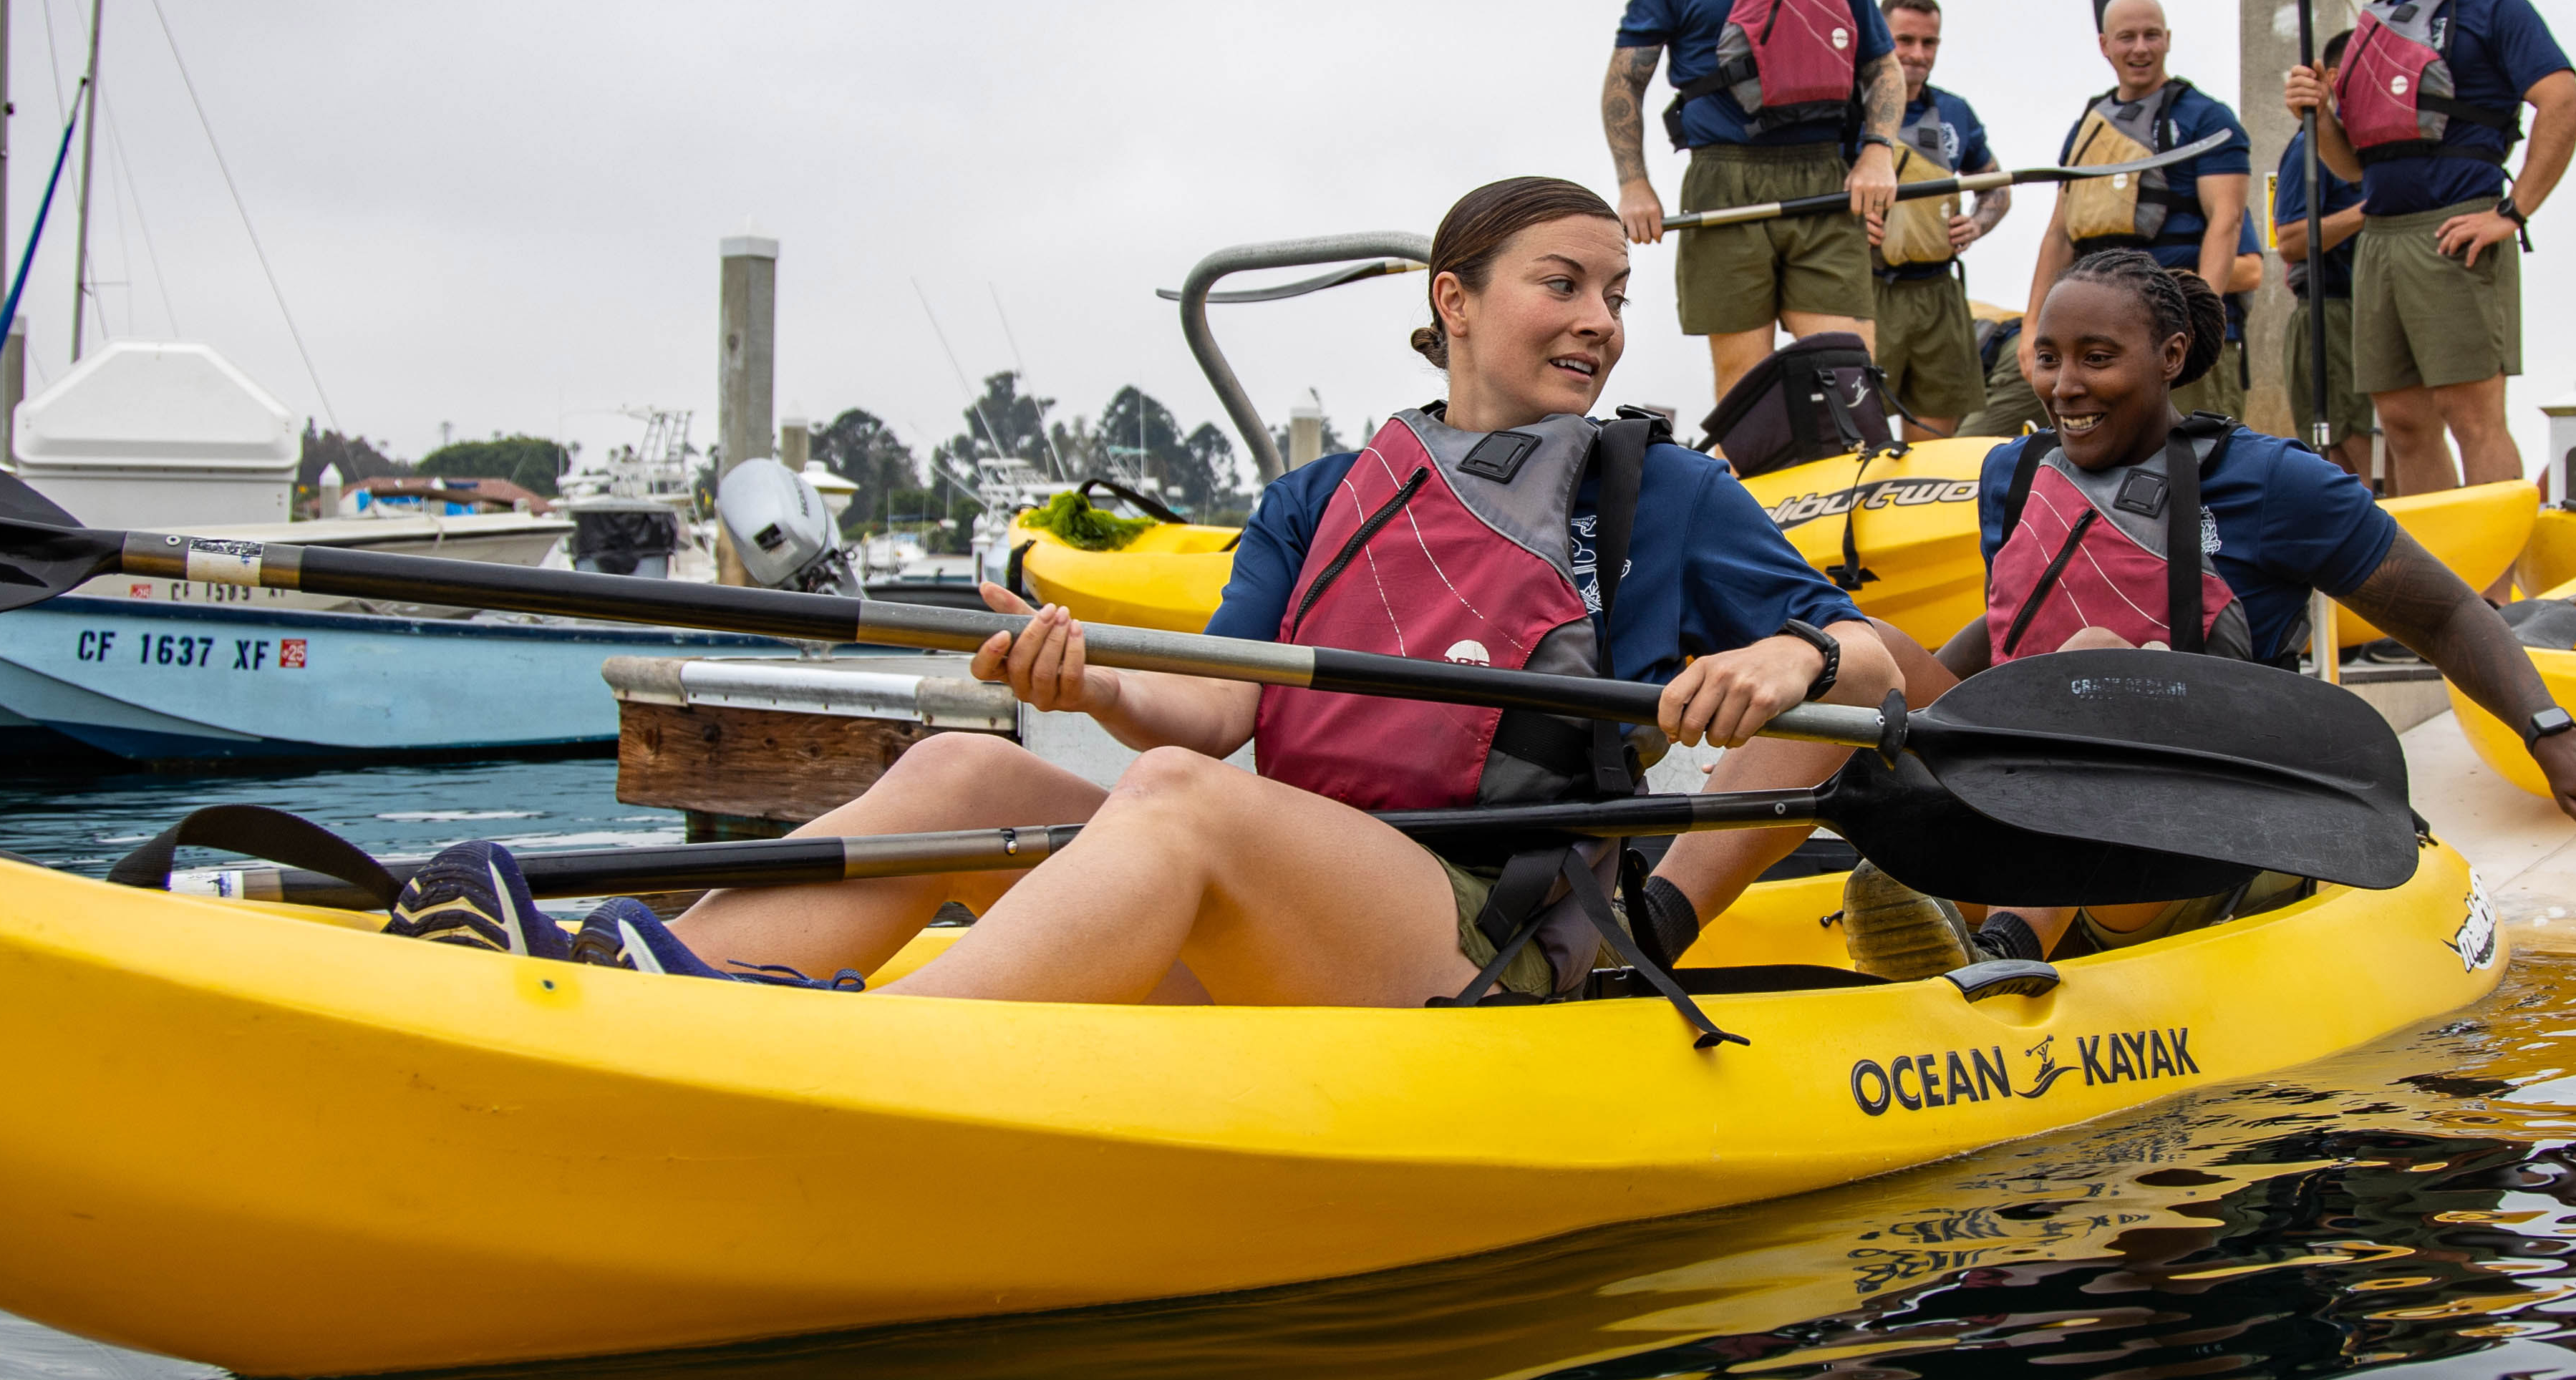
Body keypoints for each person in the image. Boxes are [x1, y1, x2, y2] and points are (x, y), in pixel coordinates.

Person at [387, 179, 1899, 1016]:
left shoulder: (1654, 491)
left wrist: (1780, 651)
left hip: (1480, 936)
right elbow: (1215, 709)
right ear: (1452, 302)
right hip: (1292, 898)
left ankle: (881, 1060)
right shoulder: (1318, 497)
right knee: (968, 763)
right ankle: (671, 1000)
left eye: (1614, 296)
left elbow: (1871, 665)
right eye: (1560, 283)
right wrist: (1087, 679)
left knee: (1174, 802)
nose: (1598, 320)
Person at [1932, 251, 2576, 966]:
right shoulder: (2011, 473)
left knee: (2091, 657)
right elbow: (2013, 620)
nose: (2063, 387)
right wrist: (1905, 707)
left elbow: (2442, 614)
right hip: (2014, 798)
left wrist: (2550, 736)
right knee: (1860, 652)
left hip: (2188, 831)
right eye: (2047, 358)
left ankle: (2005, 946)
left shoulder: (2273, 480)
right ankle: (1885, 893)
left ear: (2170, 356)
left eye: (2096, 358)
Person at [2278, 0, 2576, 493]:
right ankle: (2443, 578)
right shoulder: (2373, 22)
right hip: (2381, 237)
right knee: (2402, 421)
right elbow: (2352, 167)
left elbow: (2563, 104)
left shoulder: (2495, 7)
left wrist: (2512, 212)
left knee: (2471, 414)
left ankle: (2493, 589)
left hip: (2454, 227)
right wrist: (2313, 117)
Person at [1602, 0, 1907, 406]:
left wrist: (1877, 152)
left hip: (1824, 176)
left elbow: (1883, 67)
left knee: (1846, 380)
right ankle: (1751, 499)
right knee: (1747, 388)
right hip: (1725, 178)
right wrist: (1634, 182)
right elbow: (1624, 81)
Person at [1967, 0, 2252, 437]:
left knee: (2187, 462)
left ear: (2169, 39)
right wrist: (2031, 327)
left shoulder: (2208, 120)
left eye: (2151, 35)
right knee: (1985, 434)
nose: (2140, 48)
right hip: (2091, 335)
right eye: (2127, 37)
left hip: (2172, 332)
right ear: (2105, 45)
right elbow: (2059, 236)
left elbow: (2227, 222)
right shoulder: (2087, 128)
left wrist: (2196, 324)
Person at [1869, 0, 2012, 439]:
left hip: (1938, 294)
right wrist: (1848, 226)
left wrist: (1978, 223)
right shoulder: (1851, 107)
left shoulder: (1953, 112)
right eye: (1904, 40)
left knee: (1933, 450)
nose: (1916, 54)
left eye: (1928, 43)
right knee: (1849, 438)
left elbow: (1997, 187)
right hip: (1867, 291)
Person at [2268, 48, 2371, 482]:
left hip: (2368, 310)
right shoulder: (2307, 145)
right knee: (2350, 449)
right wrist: (2372, 210)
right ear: (2333, 76)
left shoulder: (2371, 142)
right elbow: (2290, 239)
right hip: (2330, 313)